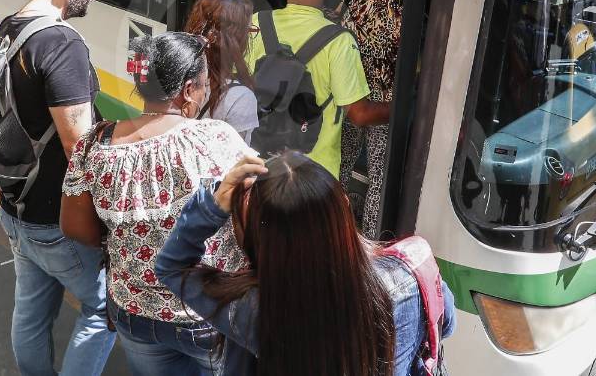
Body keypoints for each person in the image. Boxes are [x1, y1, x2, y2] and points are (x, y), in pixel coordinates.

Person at [155, 150, 456, 376]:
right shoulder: (408, 277)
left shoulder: (254, 308)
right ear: (343, 209)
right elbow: (446, 323)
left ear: (264, 242)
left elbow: (171, 267)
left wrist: (216, 202)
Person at [61, 32, 250, 376]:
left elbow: (74, 227)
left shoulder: (95, 142)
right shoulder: (215, 138)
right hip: (205, 315)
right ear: (189, 89)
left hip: (133, 313)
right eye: (205, 85)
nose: (206, 92)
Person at [0, 0, 116, 376]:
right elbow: (80, 149)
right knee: (103, 308)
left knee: (32, 310)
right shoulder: (61, 45)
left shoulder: (4, 30)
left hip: (16, 210)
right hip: (54, 218)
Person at [245, 0, 390, 176]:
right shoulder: (340, 41)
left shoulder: (255, 24)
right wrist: (404, 108)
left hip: (258, 166)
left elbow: (234, 84)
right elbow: (359, 114)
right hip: (313, 177)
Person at [339, 0, 410, 236]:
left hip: (351, 84)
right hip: (388, 97)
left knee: (342, 164)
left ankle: (334, 232)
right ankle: (369, 245)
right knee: (379, 180)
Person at [183, 0, 259, 143]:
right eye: (250, 30)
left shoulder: (173, 74)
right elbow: (237, 161)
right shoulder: (240, 98)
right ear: (238, 40)